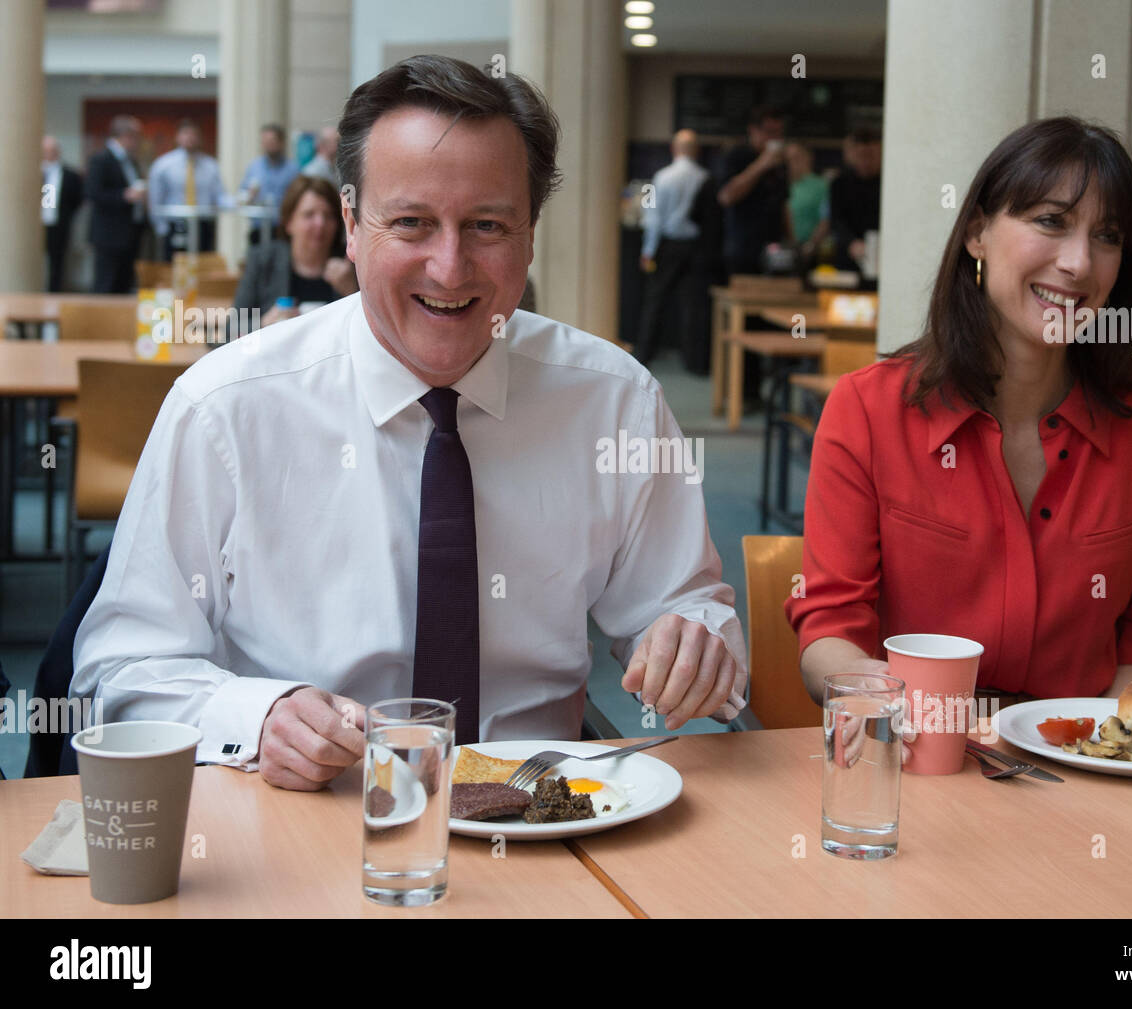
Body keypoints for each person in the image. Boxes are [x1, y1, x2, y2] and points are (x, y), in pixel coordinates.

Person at [73, 55, 747, 792]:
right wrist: (255, 713)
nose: (450, 267)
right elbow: (119, 667)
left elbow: (680, 604)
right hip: (303, 816)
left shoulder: (614, 402)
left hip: (538, 818)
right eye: (412, 223)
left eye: (487, 224)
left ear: (530, 233)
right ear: (352, 227)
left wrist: (695, 643)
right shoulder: (228, 409)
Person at [787, 116, 1132, 708]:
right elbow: (832, 626)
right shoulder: (867, 409)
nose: (1079, 263)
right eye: (1051, 222)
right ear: (978, 233)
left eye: (1108, 236)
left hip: (1079, 758)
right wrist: (896, 718)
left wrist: (1102, 749)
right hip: (914, 750)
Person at [229, 174, 357, 336]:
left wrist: (352, 292)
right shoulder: (263, 260)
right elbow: (229, 332)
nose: (320, 223)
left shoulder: (352, 263)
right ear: (289, 222)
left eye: (328, 215)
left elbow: (377, 333)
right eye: (309, 215)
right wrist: (263, 324)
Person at [634, 128, 708, 366]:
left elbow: (653, 218)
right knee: (694, 305)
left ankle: (644, 355)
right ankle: (695, 361)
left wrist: (648, 250)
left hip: (668, 245)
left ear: (674, 149)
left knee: (656, 301)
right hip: (696, 246)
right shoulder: (705, 177)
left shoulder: (662, 177)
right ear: (696, 150)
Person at [717, 105, 787, 277]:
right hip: (743, 249)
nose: (774, 138)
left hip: (774, 249)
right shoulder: (737, 156)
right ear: (752, 130)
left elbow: (784, 204)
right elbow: (726, 197)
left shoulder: (781, 164)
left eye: (779, 133)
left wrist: (792, 243)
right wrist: (761, 165)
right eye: (769, 132)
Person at [85, 115, 147, 293]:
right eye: (136, 136)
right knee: (106, 283)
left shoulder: (132, 161)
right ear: (125, 136)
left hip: (130, 232)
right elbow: (93, 193)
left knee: (124, 283)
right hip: (109, 234)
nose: (138, 142)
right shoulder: (101, 159)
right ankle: (102, 321)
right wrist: (124, 196)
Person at [148, 119, 226, 257]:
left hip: (202, 223)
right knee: (174, 267)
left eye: (193, 134)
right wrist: (161, 228)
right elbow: (155, 199)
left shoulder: (211, 166)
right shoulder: (163, 165)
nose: (190, 138)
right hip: (174, 224)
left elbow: (220, 195)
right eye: (185, 134)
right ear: (177, 137)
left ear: (199, 138)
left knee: (202, 265)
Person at [829, 128, 882, 286]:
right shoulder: (839, 184)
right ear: (852, 155)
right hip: (848, 261)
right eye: (861, 156)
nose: (866, 161)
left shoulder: (888, 184)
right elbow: (836, 221)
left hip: (881, 259)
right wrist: (851, 243)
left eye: (871, 155)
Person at [238, 124, 302, 246]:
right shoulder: (254, 167)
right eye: (265, 141)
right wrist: (248, 196)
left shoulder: (292, 169)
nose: (268, 145)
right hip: (258, 229)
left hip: (281, 230)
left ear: (281, 142)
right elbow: (242, 196)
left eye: (272, 141)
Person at [41, 136, 84, 293]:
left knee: (57, 261)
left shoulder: (70, 175)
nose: (49, 154)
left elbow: (77, 199)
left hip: (58, 223)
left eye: (52, 150)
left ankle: (54, 292)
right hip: (35, 225)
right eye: (45, 151)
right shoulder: (32, 173)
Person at [783, 141, 829, 265]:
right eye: (788, 160)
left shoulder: (821, 186)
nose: (793, 163)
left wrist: (811, 245)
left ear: (808, 158)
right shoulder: (780, 185)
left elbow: (826, 219)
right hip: (784, 250)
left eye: (797, 157)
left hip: (810, 249)